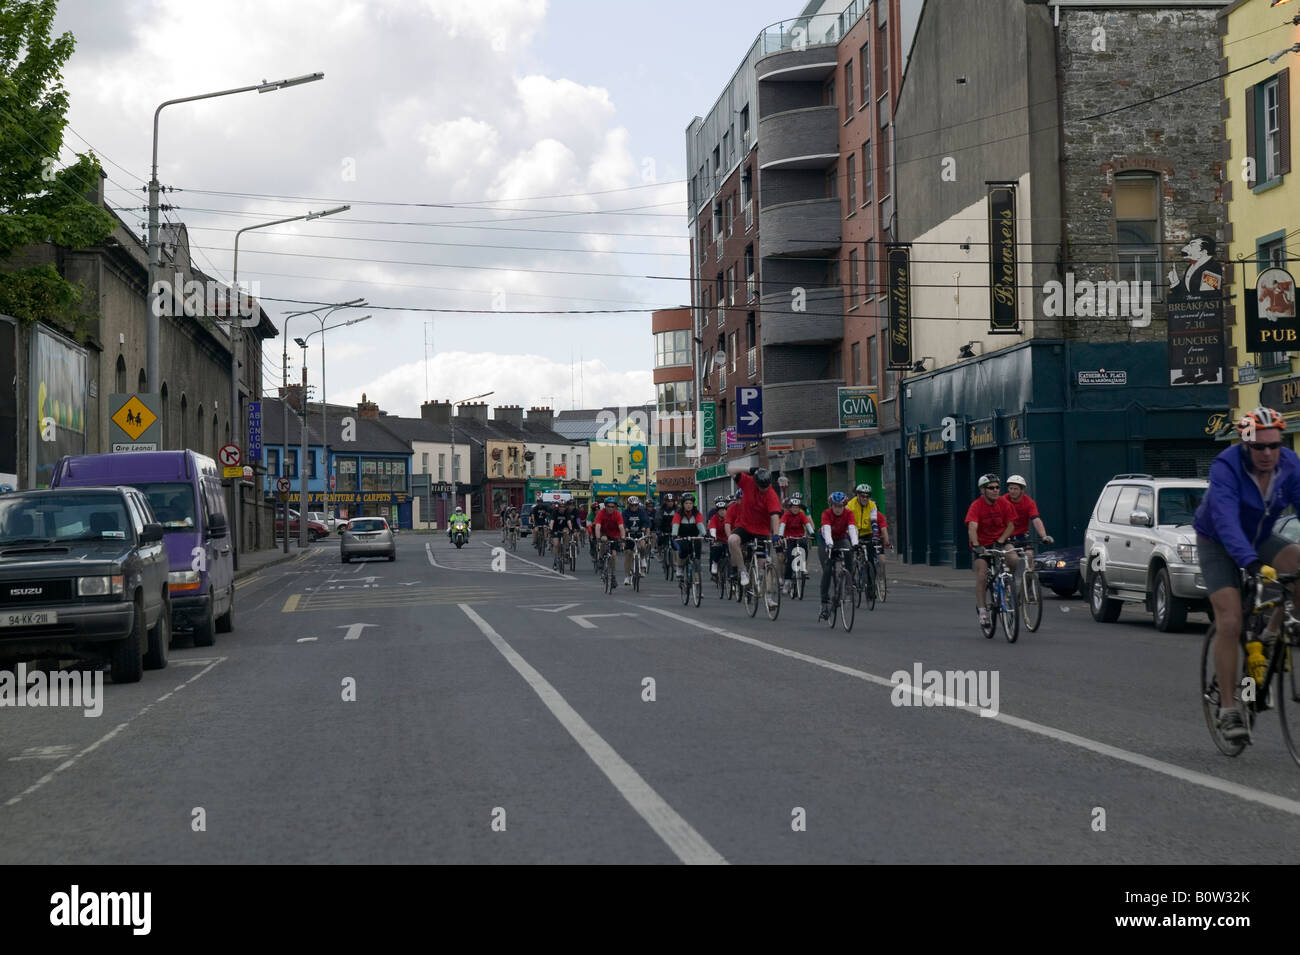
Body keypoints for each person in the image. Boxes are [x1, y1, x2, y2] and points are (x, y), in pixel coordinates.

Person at [1192, 407, 1300, 741]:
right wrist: (1251, 563)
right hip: (1219, 542)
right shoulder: (1226, 467)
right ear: (1245, 444)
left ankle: (1271, 630)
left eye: (1274, 445)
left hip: (1261, 536)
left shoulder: (1290, 464)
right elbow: (1224, 519)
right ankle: (1228, 709)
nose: (1267, 453)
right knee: (1231, 621)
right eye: (1259, 447)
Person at [965, 474, 1017, 628]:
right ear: (983, 490)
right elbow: (972, 526)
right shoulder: (976, 506)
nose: (995, 490)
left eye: (997, 487)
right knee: (981, 575)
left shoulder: (1004, 503)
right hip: (982, 544)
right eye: (991, 488)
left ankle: (1008, 584)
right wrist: (976, 545)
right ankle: (982, 612)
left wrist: (1001, 540)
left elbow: (1011, 525)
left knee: (1013, 558)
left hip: (1000, 541)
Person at [725, 465, 783, 587]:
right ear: (755, 482)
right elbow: (730, 469)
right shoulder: (748, 482)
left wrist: (776, 535)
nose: (764, 489)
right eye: (761, 487)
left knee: (762, 563)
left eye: (766, 486)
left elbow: (775, 517)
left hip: (762, 530)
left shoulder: (771, 495)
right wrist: (750, 470)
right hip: (745, 526)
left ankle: (765, 592)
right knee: (732, 540)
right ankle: (743, 571)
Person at [819, 491, 859, 620]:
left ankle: (849, 583)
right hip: (826, 540)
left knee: (849, 552)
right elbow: (827, 530)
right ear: (831, 505)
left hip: (841, 538)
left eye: (840, 506)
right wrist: (830, 545)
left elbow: (852, 528)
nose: (837, 509)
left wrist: (855, 544)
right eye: (835, 506)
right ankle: (824, 604)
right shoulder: (826, 514)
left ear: (844, 506)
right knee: (827, 569)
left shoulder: (849, 513)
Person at [1002, 476, 1053, 574]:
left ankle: (1026, 588)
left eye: (1016, 489)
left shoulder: (1029, 502)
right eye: (1010, 488)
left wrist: (1044, 536)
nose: (1012, 491)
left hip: (1022, 536)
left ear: (1022, 490)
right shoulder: (1003, 501)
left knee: (1029, 557)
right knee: (1013, 559)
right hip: (1006, 536)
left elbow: (1036, 519)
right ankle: (1009, 581)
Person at [846, 483, 891, 584]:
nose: (865, 499)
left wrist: (875, 535)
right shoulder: (850, 505)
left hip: (867, 533)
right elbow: (849, 523)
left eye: (867, 496)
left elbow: (874, 522)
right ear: (857, 495)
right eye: (862, 496)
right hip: (853, 532)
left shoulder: (872, 505)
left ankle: (871, 586)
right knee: (851, 555)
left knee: (871, 559)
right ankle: (851, 579)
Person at [779, 494, 815, 595]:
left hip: (800, 536)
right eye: (793, 507)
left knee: (804, 547)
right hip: (790, 538)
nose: (795, 509)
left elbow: (807, 523)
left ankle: (802, 565)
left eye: (797, 508)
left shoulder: (801, 515)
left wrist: (812, 532)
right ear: (790, 508)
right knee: (790, 558)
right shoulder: (786, 514)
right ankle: (787, 581)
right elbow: (782, 524)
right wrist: (781, 535)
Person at [671, 494, 705, 579]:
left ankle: (697, 584)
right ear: (683, 504)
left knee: (697, 557)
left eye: (690, 503)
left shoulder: (697, 513)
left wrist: (704, 534)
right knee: (683, 551)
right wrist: (674, 534)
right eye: (686, 503)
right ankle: (679, 567)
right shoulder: (679, 514)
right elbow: (675, 524)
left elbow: (700, 524)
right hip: (682, 537)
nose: (689, 505)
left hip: (695, 537)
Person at [622, 496, 651, 585]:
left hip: (639, 533)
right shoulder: (625, 512)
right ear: (629, 505)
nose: (634, 507)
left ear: (638, 505)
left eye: (635, 505)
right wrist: (625, 528)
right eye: (632, 505)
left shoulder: (642, 511)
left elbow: (646, 522)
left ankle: (642, 559)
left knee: (642, 545)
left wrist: (644, 528)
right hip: (629, 535)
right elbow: (622, 522)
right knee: (628, 554)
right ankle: (627, 576)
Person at [592, 497, 625, 576]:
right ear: (605, 506)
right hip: (604, 532)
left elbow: (621, 527)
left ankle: (613, 575)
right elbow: (597, 526)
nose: (610, 508)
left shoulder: (617, 514)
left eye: (612, 507)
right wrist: (598, 539)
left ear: (615, 507)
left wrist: (623, 539)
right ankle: (601, 558)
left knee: (614, 555)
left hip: (614, 534)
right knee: (604, 539)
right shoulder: (601, 513)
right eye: (608, 506)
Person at [707, 496, 729, 579]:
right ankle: (715, 564)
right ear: (717, 511)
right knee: (716, 549)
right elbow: (712, 527)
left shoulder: (729, 516)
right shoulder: (714, 517)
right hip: (718, 540)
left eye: (724, 510)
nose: (722, 512)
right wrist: (713, 536)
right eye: (720, 510)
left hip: (728, 539)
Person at [656, 493, 678, 559]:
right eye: (668, 501)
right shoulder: (661, 510)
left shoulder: (677, 510)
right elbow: (658, 520)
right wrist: (659, 530)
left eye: (672, 501)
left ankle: (675, 561)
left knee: (675, 545)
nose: (670, 503)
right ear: (665, 502)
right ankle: (660, 553)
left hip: (674, 530)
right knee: (660, 539)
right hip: (663, 529)